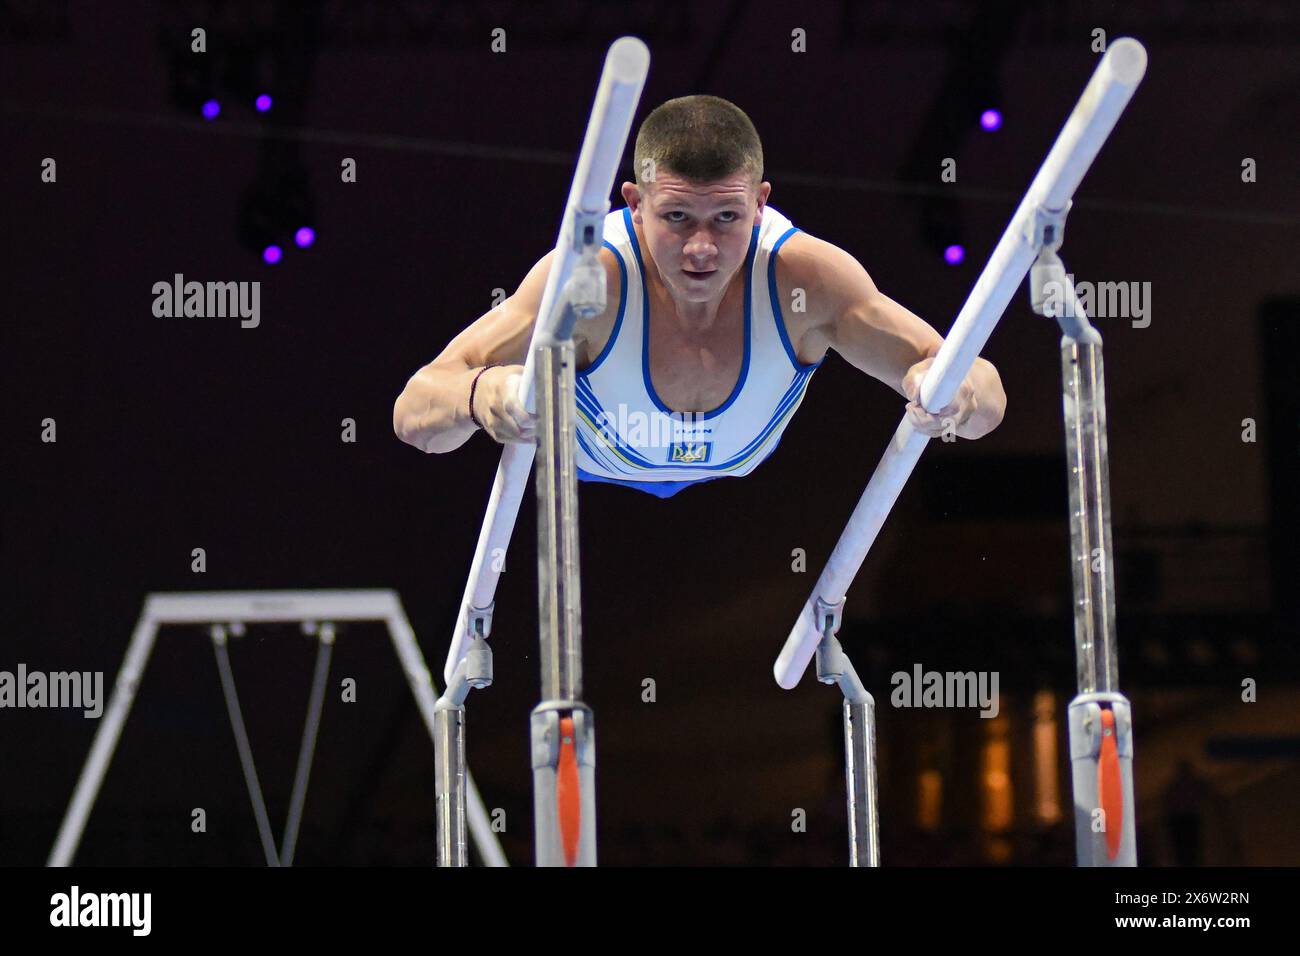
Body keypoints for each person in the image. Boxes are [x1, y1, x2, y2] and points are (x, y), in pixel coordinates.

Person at [394, 95, 1006, 497]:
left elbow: (983, 392)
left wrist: (955, 396)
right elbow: (414, 414)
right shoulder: (588, 281)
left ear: (761, 203)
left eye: (727, 218)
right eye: (678, 217)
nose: (701, 248)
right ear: (634, 205)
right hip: (592, 461)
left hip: (743, 458)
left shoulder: (807, 280)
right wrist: (480, 394)